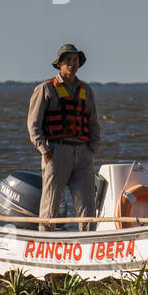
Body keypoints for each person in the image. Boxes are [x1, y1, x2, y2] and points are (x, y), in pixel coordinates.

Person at [27, 43, 100, 230]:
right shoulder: (45, 89)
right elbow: (33, 124)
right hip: (56, 152)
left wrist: (92, 149)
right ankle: (45, 243)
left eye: (75, 60)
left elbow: (93, 123)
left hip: (83, 153)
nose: (71, 64)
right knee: (50, 205)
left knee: (88, 207)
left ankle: (88, 245)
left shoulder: (86, 90)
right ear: (59, 63)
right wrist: (44, 149)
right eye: (67, 60)